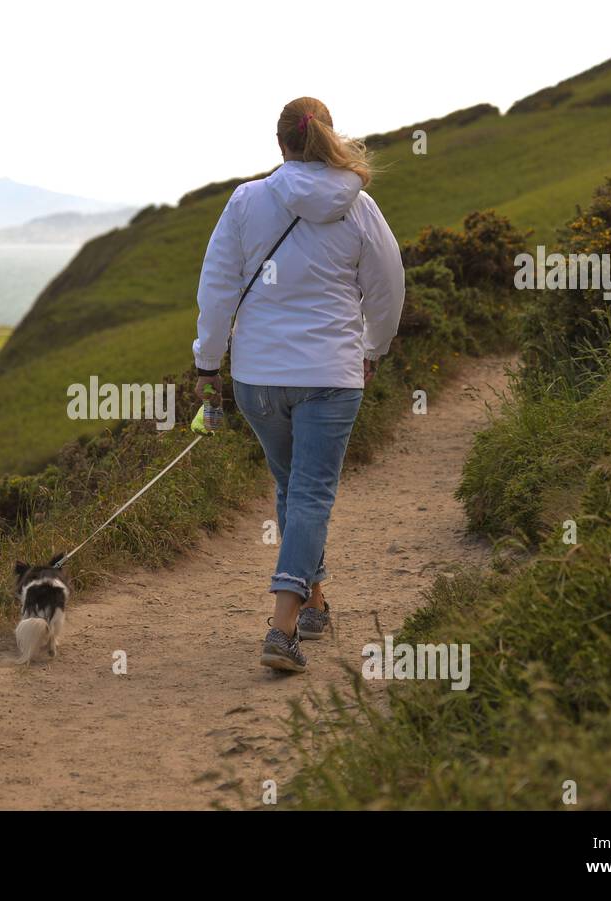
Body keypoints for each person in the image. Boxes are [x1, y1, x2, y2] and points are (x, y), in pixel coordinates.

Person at [192, 96, 405, 672]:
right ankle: (282, 628)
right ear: (329, 139)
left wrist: (208, 365)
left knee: (291, 488)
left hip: (258, 378)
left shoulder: (246, 202)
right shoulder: (360, 207)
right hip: (331, 376)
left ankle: (313, 603)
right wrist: (372, 349)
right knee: (310, 493)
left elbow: (215, 290)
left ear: (280, 144)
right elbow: (388, 288)